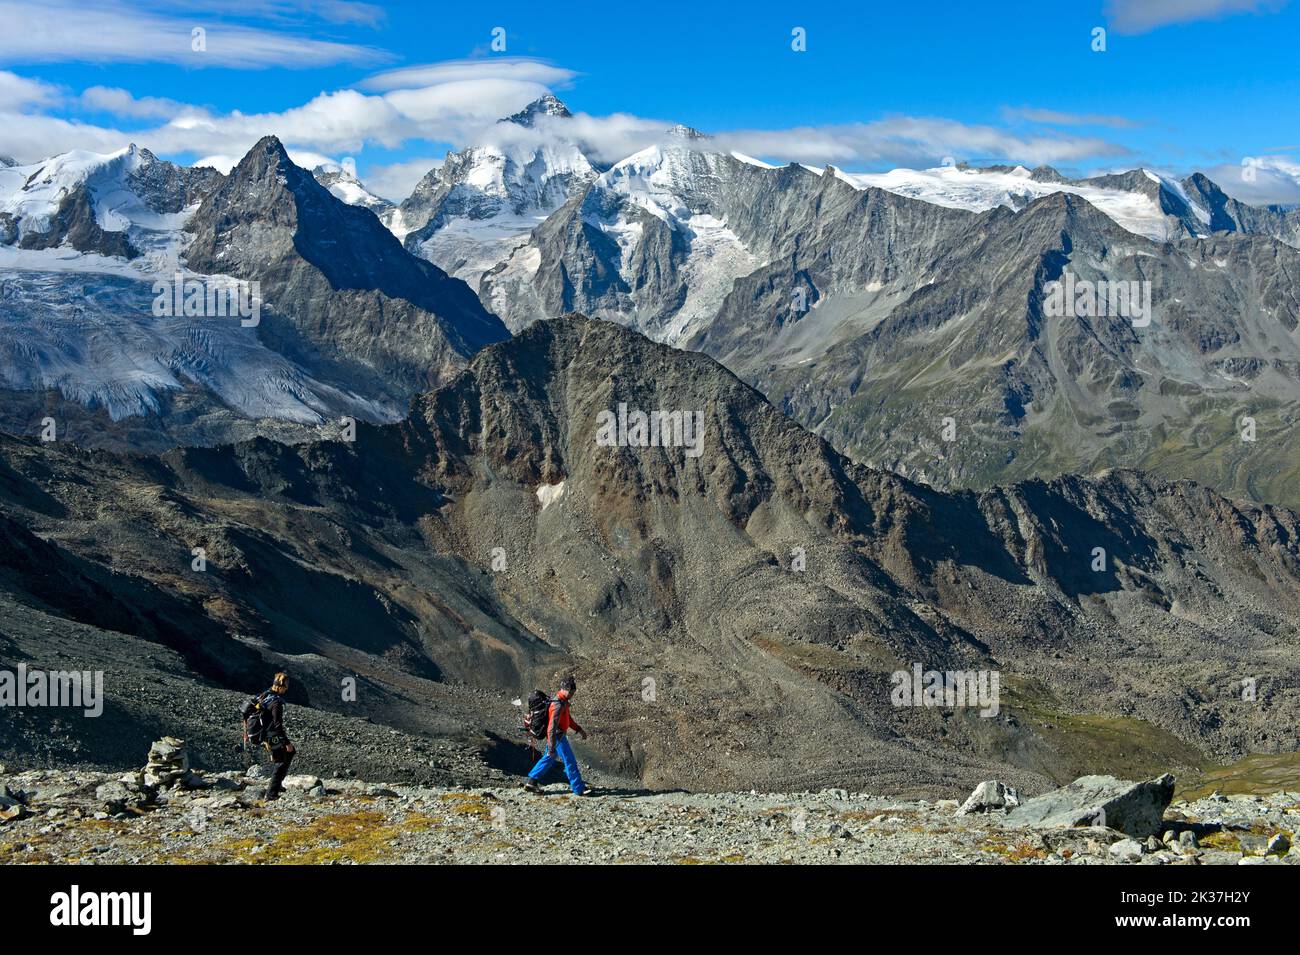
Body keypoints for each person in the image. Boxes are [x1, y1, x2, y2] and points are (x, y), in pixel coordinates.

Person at [522, 675, 592, 796]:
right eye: (571, 692)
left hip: (556, 737)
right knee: (570, 761)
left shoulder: (562, 702)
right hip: (557, 737)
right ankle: (579, 789)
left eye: (573, 692)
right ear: (564, 689)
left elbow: (567, 719)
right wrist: (552, 745)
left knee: (548, 758)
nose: (572, 695)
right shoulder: (557, 705)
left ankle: (531, 782)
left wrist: (579, 729)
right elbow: (551, 727)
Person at [242, 671, 296, 800]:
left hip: (264, 732)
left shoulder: (265, 695)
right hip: (270, 734)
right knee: (282, 759)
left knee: (286, 755)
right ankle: (271, 793)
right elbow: (278, 725)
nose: (287, 688)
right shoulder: (276, 703)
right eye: (286, 685)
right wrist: (287, 742)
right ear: (282, 686)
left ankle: (277, 785)